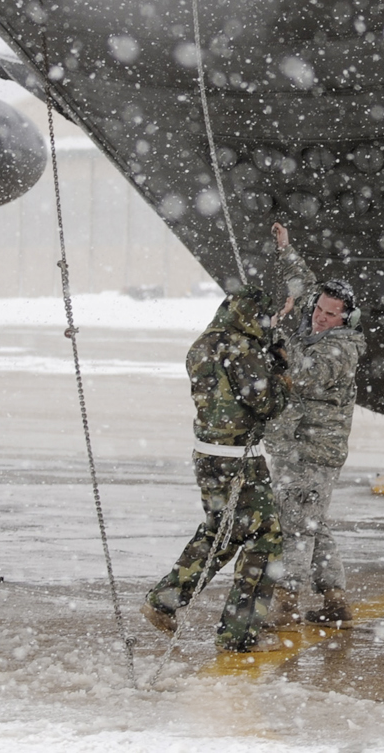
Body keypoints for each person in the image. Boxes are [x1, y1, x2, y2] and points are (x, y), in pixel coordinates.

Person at [142, 272, 290, 652]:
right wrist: (280, 370)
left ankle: (165, 600)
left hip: (208, 454)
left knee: (221, 531)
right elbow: (266, 403)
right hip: (240, 459)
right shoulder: (241, 348)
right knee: (266, 538)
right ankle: (238, 633)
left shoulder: (202, 344)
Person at [264, 222, 366, 626]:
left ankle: (286, 604)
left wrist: (276, 336)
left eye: (330, 314)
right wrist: (286, 250)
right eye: (319, 310)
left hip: (313, 451)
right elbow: (304, 285)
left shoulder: (343, 349)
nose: (320, 318)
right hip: (296, 444)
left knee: (295, 527)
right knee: (312, 522)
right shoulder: (316, 313)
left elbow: (304, 374)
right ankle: (335, 601)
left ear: (347, 319)